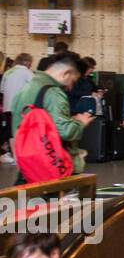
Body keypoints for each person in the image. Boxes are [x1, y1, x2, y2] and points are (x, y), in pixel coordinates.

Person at [11, 51, 94, 181]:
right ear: (66, 73)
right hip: (50, 167)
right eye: (73, 81)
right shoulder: (53, 93)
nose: (70, 87)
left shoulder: (26, 87)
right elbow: (65, 132)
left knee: (28, 200)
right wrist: (81, 123)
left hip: (27, 164)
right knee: (53, 201)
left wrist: (70, 120)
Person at [1, 53, 35, 164]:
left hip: (7, 106)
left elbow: (1, 90)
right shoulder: (27, 72)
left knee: (11, 132)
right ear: (28, 62)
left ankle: (15, 156)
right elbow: (35, 88)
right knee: (23, 131)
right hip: (21, 107)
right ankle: (22, 156)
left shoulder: (7, 72)